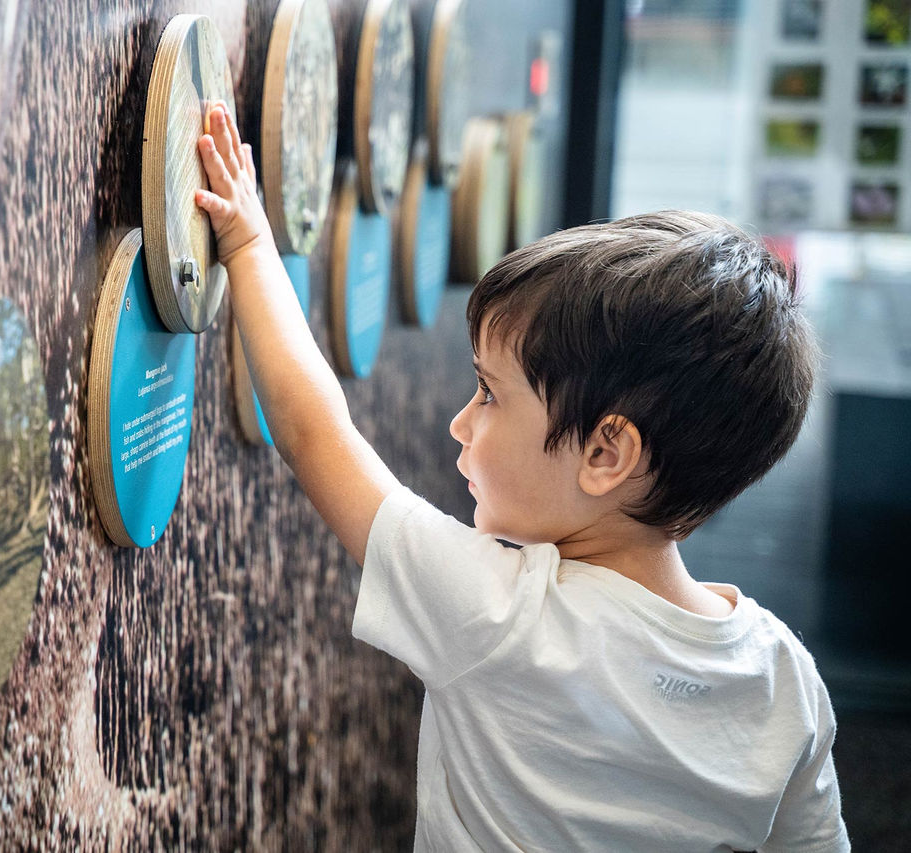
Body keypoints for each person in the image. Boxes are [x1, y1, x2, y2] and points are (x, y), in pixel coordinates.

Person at [194, 103, 848, 851]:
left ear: (607, 454)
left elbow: (314, 434)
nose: (461, 422)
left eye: (489, 393)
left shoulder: (503, 616)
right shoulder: (784, 680)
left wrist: (246, 240)